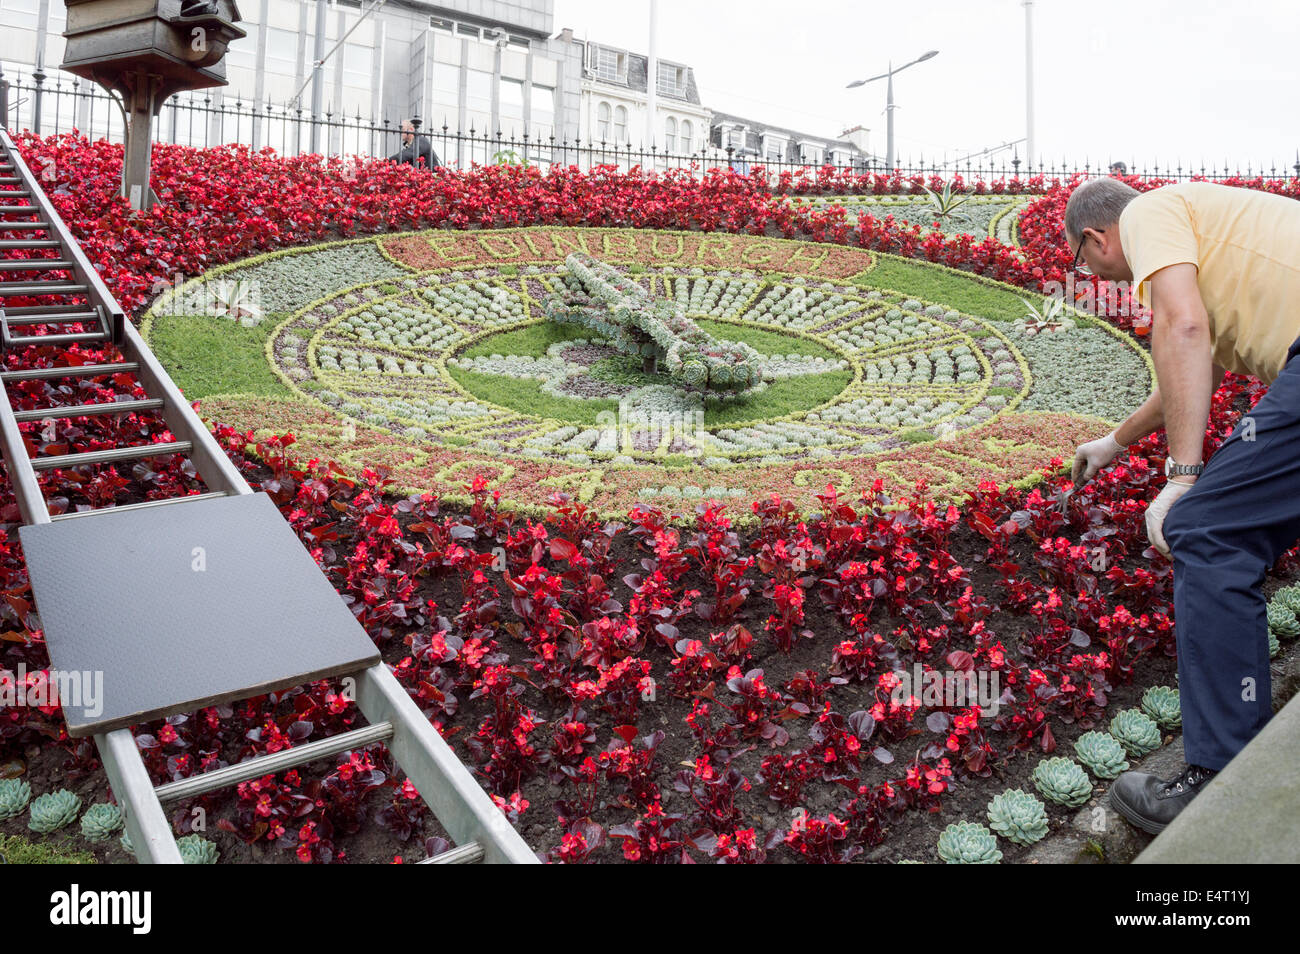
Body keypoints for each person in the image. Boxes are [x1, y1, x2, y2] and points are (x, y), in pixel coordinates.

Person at [1066, 177, 1300, 833]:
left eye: (1088, 266)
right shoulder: (1211, 233)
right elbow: (1193, 365)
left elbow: (1183, 325)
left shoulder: (1147, 213)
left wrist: (1183, 477)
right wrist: (1114, 443)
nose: (1100, 276)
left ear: (1095, 239)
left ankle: (1223, 781)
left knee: (1209, 531)